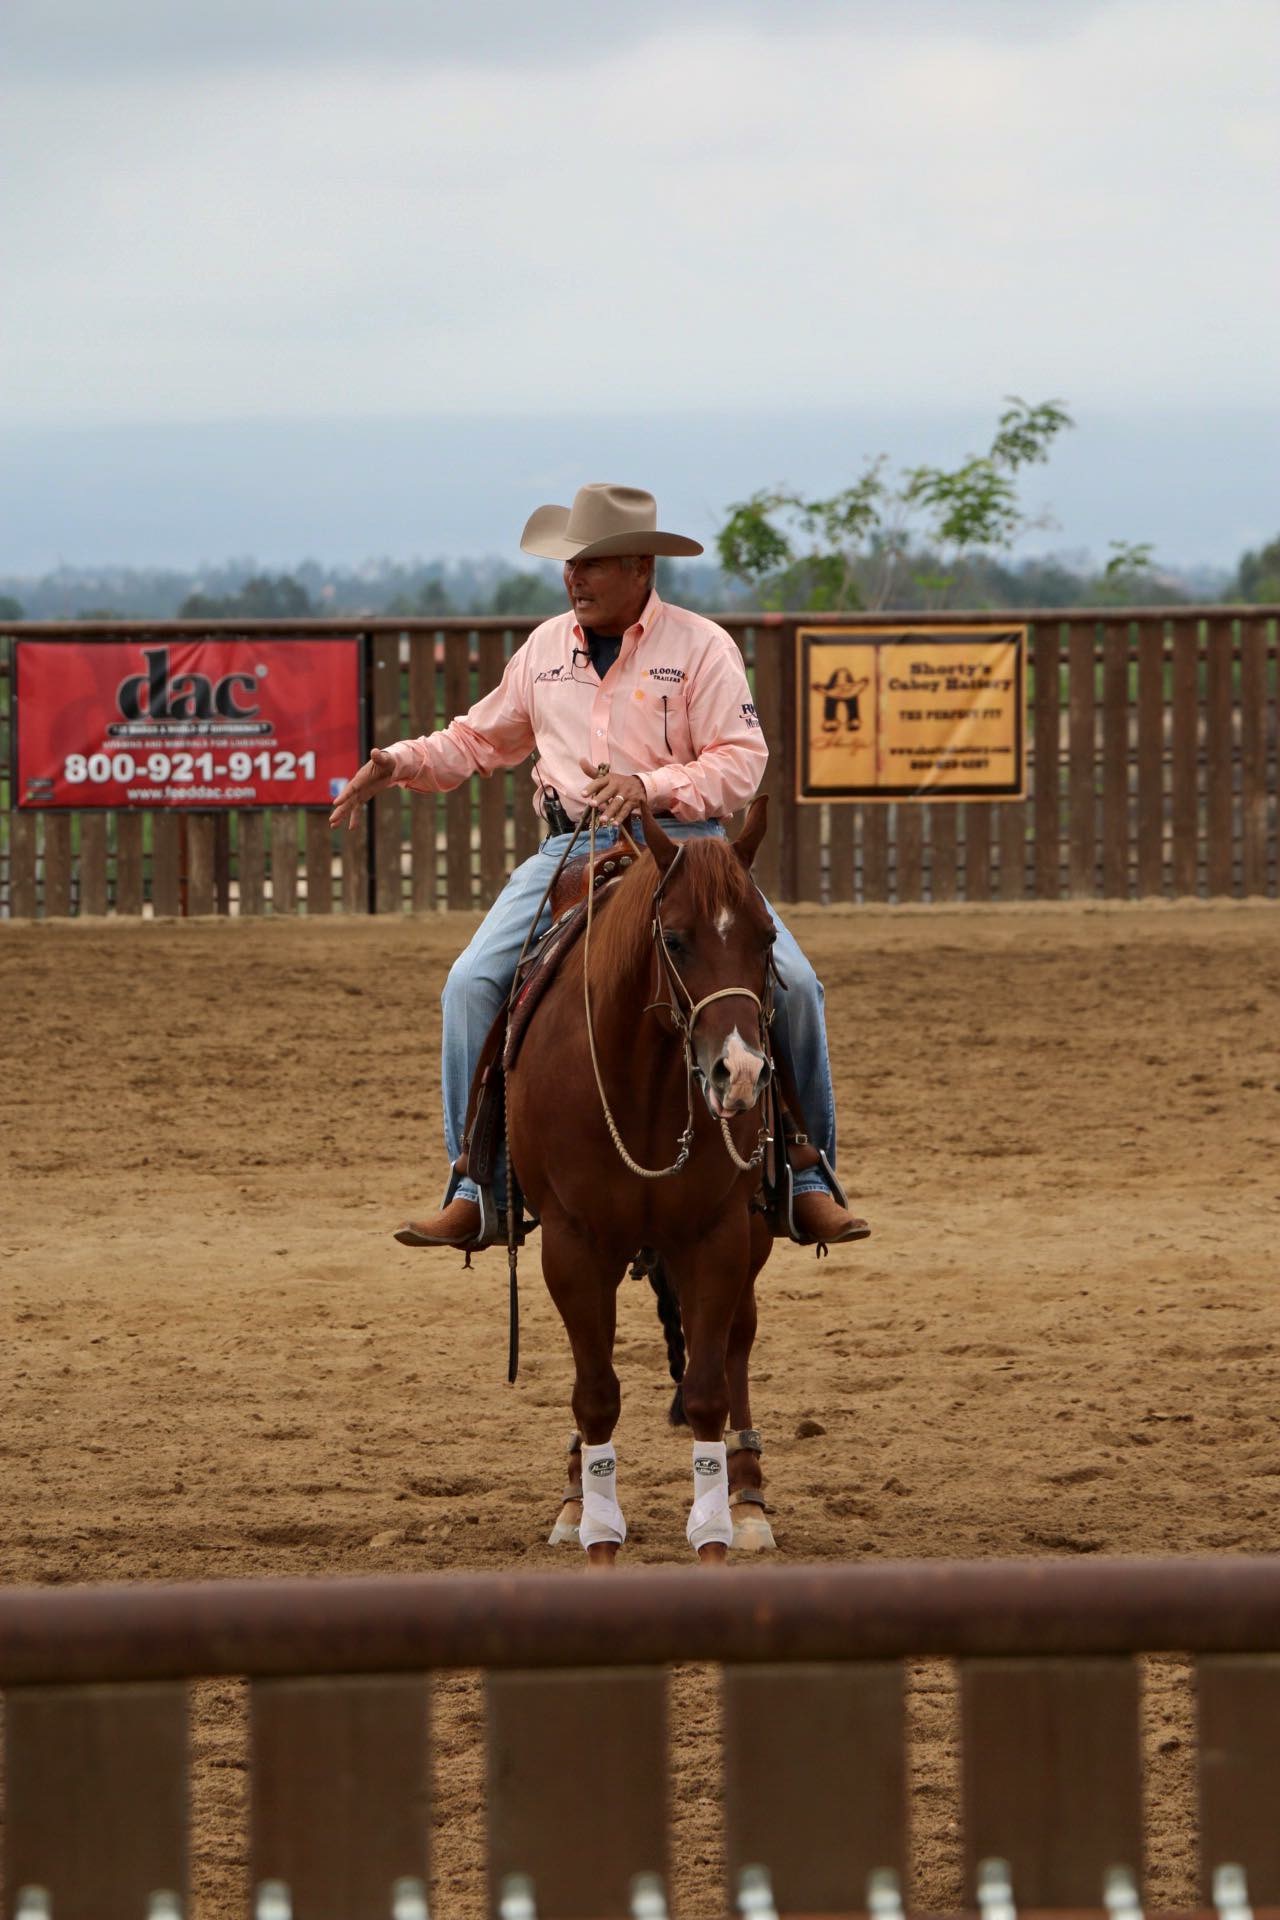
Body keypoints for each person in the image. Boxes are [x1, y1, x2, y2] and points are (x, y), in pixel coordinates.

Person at [329, 483, 867, 1251]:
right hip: (570, 848)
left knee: (800, 989)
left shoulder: (703, 648)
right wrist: (397, 761)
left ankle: (807, 1179)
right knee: (471, 984)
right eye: (569, 565)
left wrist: (650, 786)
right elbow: (479, 740)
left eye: (593, 564)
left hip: (689, 852)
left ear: (642, 566)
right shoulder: (545, 649)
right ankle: (478, 1185)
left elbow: (741, 763)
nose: (573, 579)